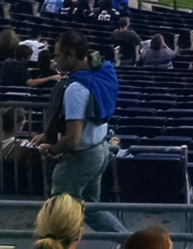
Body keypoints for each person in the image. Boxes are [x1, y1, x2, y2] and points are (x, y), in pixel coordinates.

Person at [34, 31, 127, 235]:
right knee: (91, 211)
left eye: (58, 56)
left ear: (71, 55)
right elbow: (96, 57)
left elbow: (73, 139)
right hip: (99, 150)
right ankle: (131, 243)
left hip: (80, 158)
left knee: (58, 213)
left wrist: (51, 147)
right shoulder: (103, 70)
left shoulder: (76, 88)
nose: (55, 60)